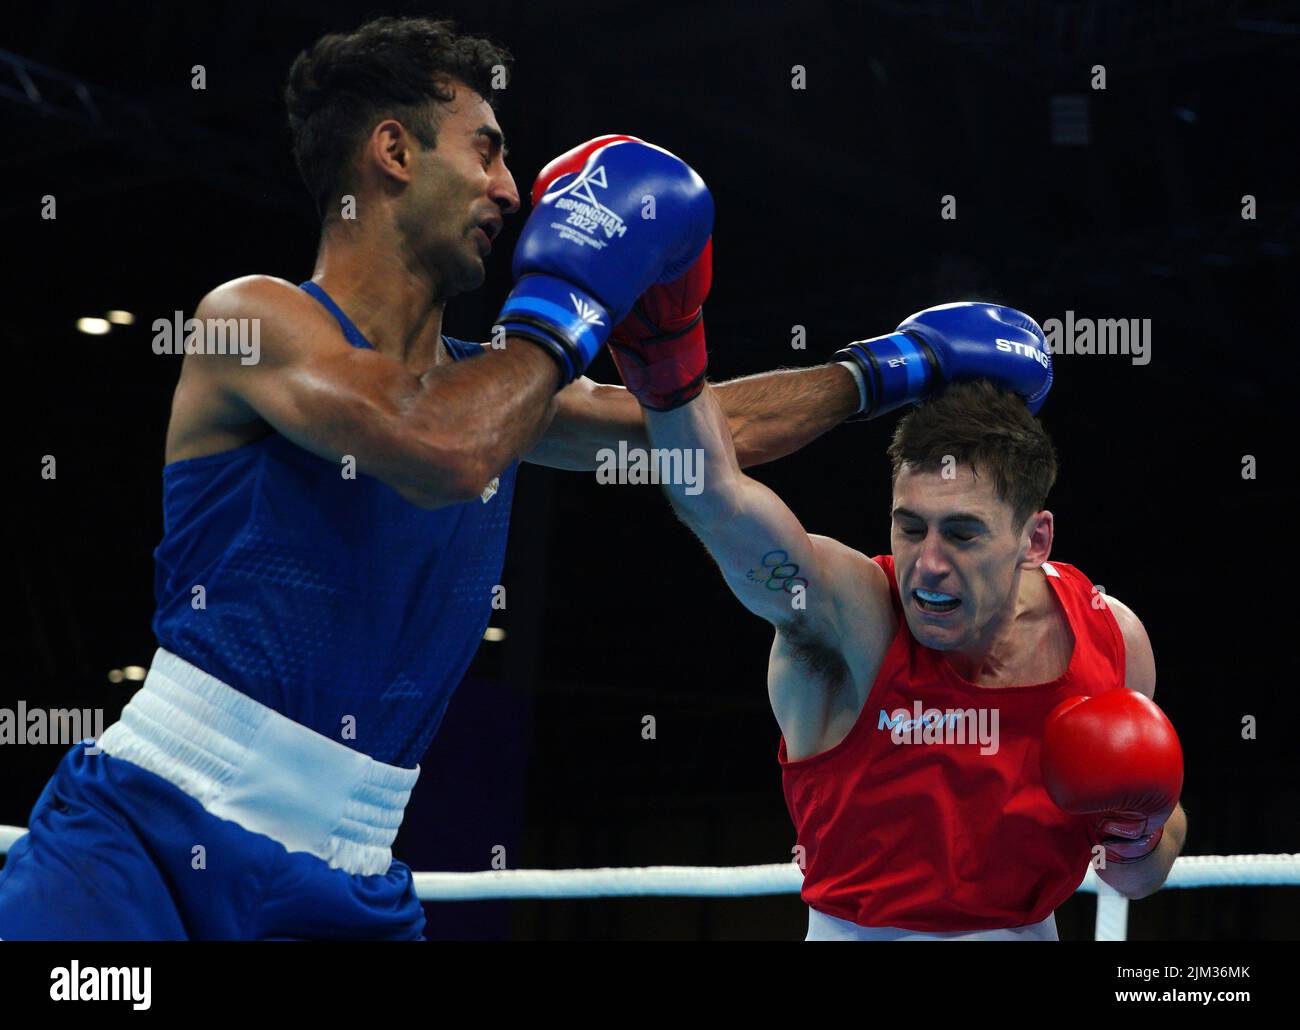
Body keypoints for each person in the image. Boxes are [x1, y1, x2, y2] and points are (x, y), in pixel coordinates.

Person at [0, 16, 863, 940]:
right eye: (487, 152)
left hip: (349, 878)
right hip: (146, 838)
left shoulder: (493, 390)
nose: (510, 189)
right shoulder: (253, 320)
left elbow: (708, 436)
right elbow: (443, 448)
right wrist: (567, 307)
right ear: (393, 151)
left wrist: (891, 367)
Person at [630, 301, 1186, 940]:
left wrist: (1139, 836)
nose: (927, 565)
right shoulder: (846, 619)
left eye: (962, 533)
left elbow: (1135, 876)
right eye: (910, 526)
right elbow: (718, 500)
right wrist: (666, 336)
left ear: (1035, 541)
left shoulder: (1110, 638)